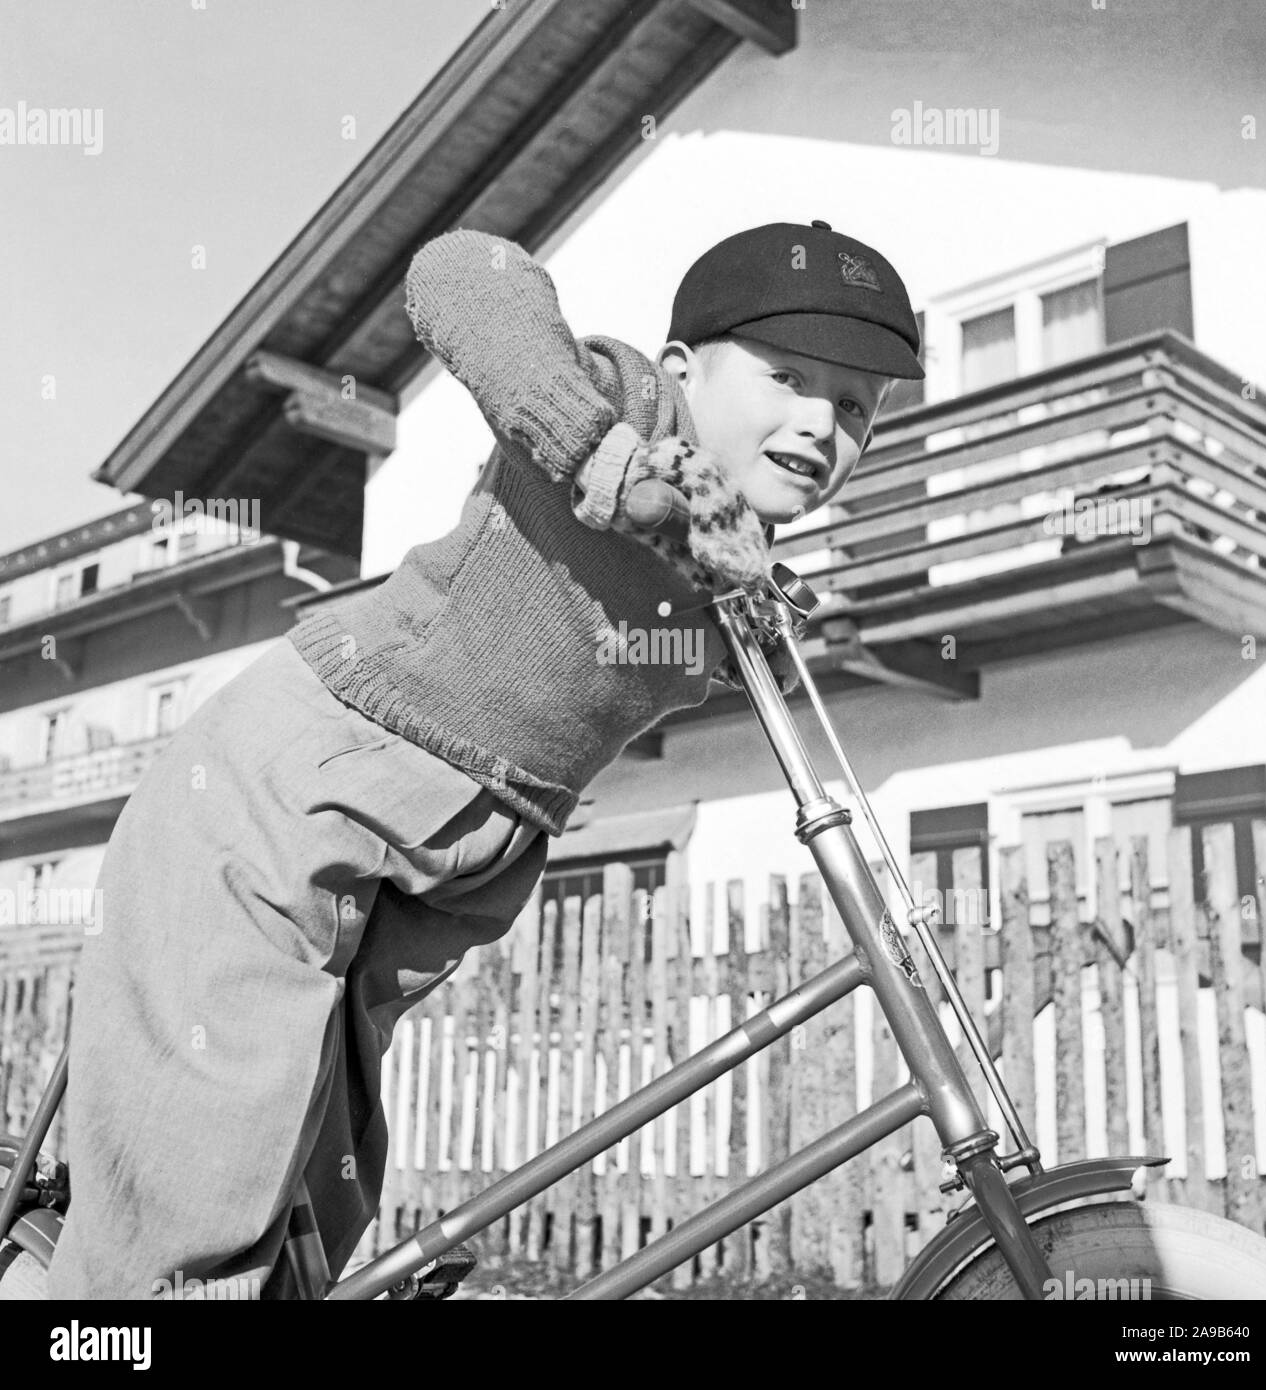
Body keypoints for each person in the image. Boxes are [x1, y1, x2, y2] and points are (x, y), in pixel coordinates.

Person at [43, 219, 923, 1299]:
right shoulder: (627, 411)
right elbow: (462, 273)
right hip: (300, 787)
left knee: (318, 1197)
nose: (818, 423)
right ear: (688, 369)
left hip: (433, 871)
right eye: (788, 376)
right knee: (204, 1190)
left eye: (856, 408)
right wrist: (605, 454)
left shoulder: (729, 556)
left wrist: (766, 640)